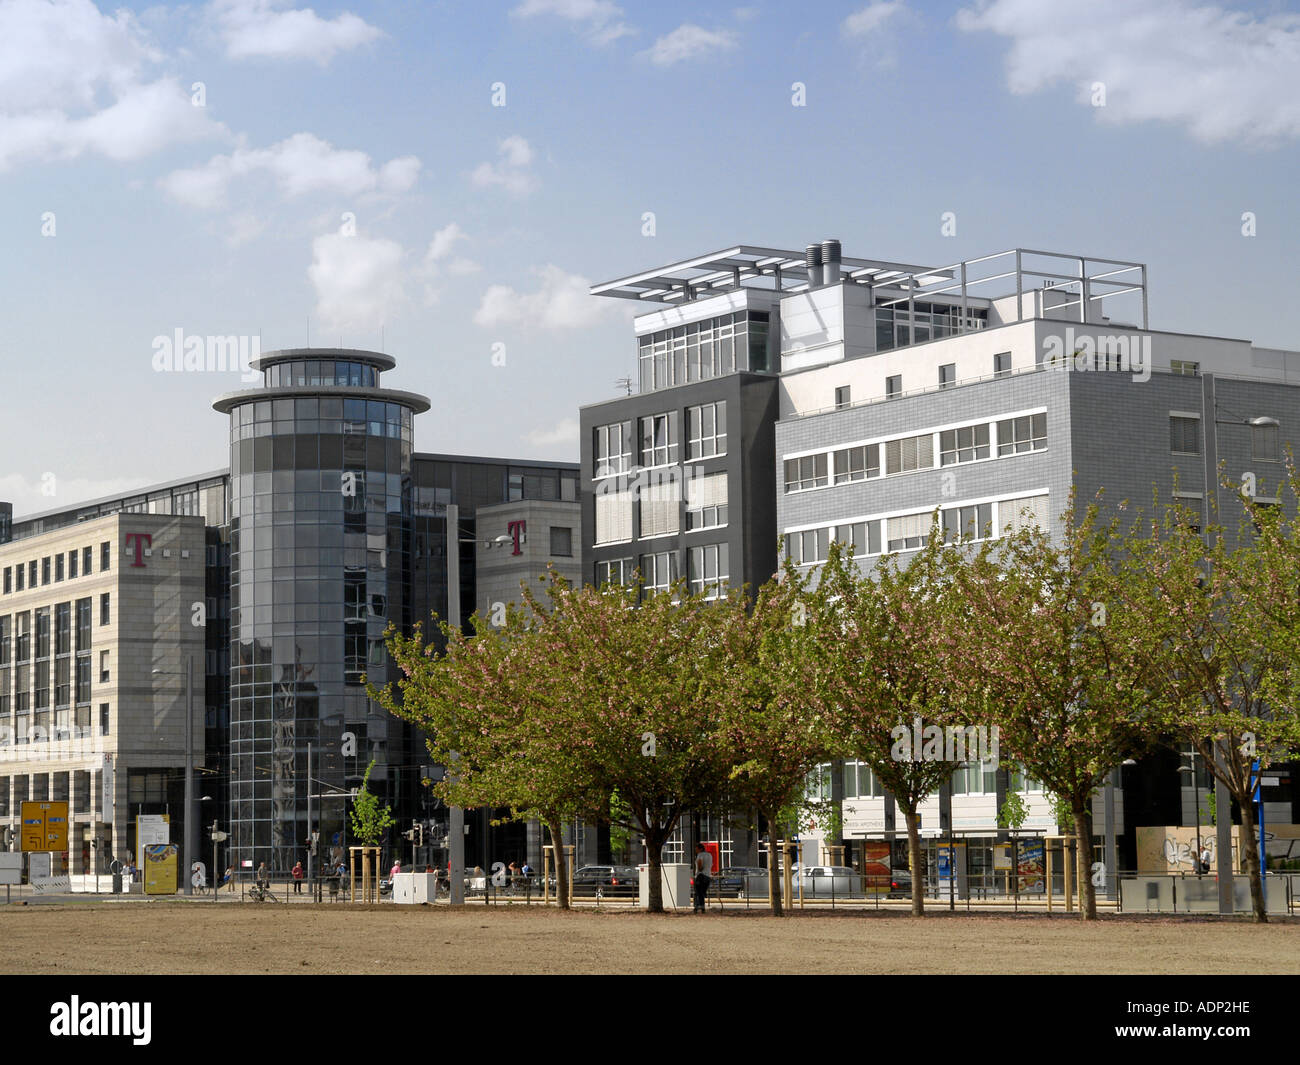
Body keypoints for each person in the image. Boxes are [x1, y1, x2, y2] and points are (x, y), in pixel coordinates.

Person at [693, 843, 713, 913]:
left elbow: (699, 862)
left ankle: (697, 907)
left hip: (701, 875)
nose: (696, 850)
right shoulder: (709, 855)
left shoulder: (700, 855)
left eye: (696, 849)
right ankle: (701, 907)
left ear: (700, 849)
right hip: (708, 876)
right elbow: (711, 865)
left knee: (698, 892)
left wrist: (700, 868)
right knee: (702, 892)